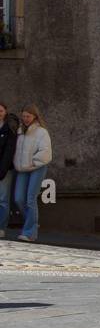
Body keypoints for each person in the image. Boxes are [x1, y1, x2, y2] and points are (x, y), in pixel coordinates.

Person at [12, 104, 52, 243]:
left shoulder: (42, 132)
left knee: (30, 198)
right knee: (18, 198)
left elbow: (46, 153)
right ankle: (33, 222)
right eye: (23, 116)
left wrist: (32, 162)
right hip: (22, 169)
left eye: (28, 116)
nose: (25, 119)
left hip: (36, 167)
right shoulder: (20, 131)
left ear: (35, 116)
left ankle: (29, 233)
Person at [0, 102, 16, 239]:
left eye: (0, 110)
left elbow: (9, 151)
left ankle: (1, 228)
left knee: (3, 200)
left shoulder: (9, 128)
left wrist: (2, 170)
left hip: (4, 170)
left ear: (5, 112)